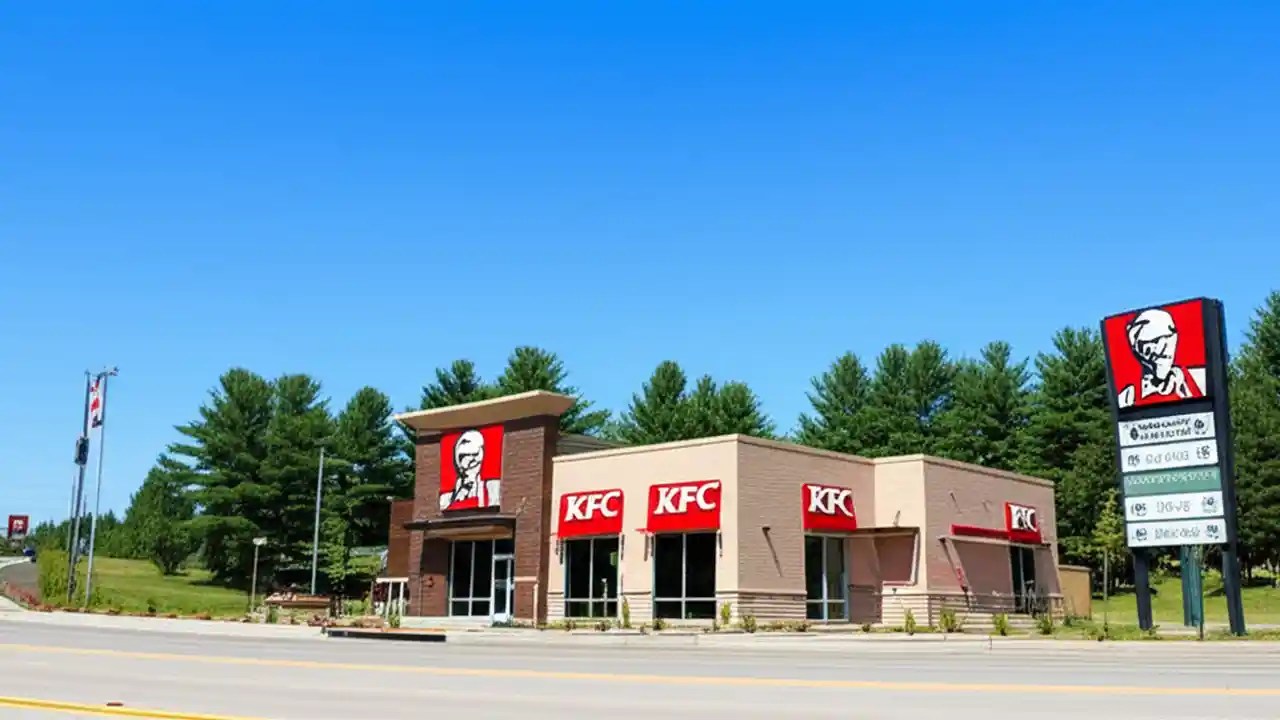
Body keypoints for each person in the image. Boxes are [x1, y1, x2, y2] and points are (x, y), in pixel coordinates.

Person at [1117, 308, 1207, 408]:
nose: (1163, 347)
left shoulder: (1200, 379)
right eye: (1154, 341)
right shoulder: (1127, 398)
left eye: (1168, 337)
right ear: (1137, 348)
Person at [439, 429, 501, 510]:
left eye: (474, 455)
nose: (469, 460)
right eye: (464, 457)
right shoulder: (447, 497)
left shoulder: (492, 487)